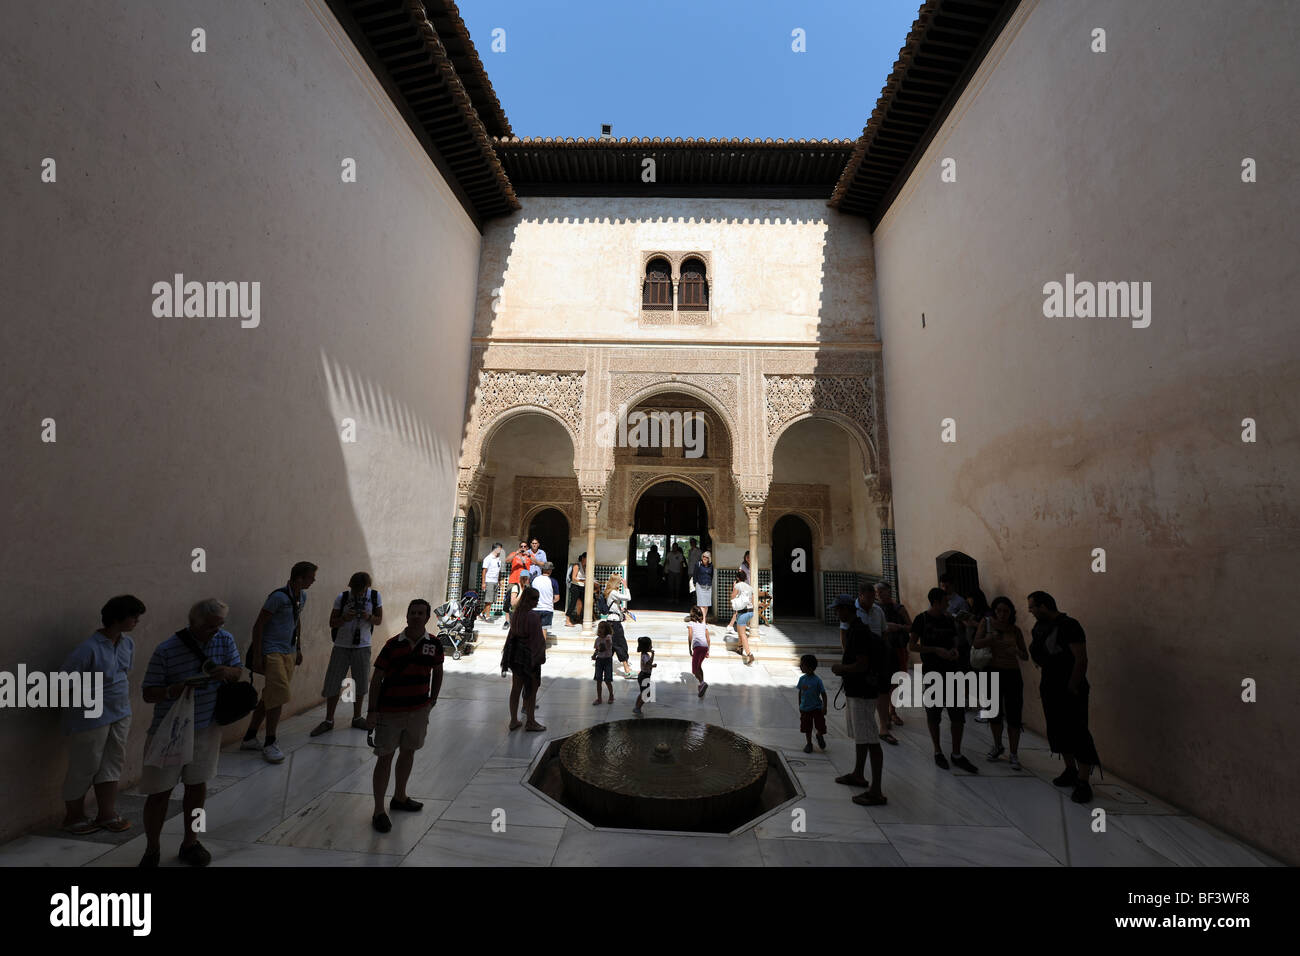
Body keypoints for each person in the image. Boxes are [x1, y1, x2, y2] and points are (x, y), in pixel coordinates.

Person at [139, 599, 244, 867]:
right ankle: (152, 850)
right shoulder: (167, 650)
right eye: (210, 626)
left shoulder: (225, 639)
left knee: (197, 787)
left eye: (220, 625)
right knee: (160, 792)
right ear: (194, 623)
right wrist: (171, 691)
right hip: (169, 730)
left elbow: (237, 671)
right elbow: (148, 693)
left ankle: (191, 842)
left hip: (206, 726)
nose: (216, 631)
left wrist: (227, 672)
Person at [60, 594, 145, 835]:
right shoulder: (87, 649)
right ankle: (73, 816)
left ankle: (106, 814)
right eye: (133, 616)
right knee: (84, 765)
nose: (137, 621)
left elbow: (124, 674)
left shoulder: (127, 644)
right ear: (117, 618)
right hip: (90, 716)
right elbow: (64, 683)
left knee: (112, 763)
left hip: (120, 713)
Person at [363, 599, 443, 833]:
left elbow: (437, 671)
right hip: (390, 712)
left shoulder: (434, 644)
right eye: (412, 612)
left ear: (427, 618)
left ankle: (400, 797)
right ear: (406, 616)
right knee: (385, 757)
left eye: (420, 613)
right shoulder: (392, 645)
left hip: (418, 710)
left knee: (408, 752)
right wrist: (372, 711)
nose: (416, 616)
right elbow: (377, 678)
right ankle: (379, 810)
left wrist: (433, 700)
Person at [1027, 591, 1101, 802]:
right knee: (1057, 729)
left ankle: (1084, 780)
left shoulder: (1070, 625)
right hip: (1050, 686)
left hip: (1070, 688)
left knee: (1078, 732)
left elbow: (1081, 659)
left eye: (1032, 607)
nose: (1030, 611)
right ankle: (1070, 770)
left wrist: (1072, 686)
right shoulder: (1040, 627)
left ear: (1043, 606)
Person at [242, 561, 317, 764]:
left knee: (270, 695)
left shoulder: (302, 596)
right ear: (299, 578)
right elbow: (258, 626)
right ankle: (270, 742)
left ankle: (249, 736)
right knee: (280, 694)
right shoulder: (277, 597)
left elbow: (296, 621)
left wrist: (299, 648)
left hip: (289, 652)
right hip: (271, 651)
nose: (314, 581)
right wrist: (258, 655)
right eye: (311, 577)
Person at [910, 587, 980, 774]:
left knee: (957, 715)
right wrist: (935, 650)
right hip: (932, 673)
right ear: (936, 602)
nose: (948, 604)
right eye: (945, 601)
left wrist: (955, 650)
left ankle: (956, 754)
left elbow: (955, 639)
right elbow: (912, 645)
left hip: (952, 672)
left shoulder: (949, 619)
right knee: (934, 715)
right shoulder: (921, 619)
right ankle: (938, 750)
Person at [830, 595, 887, 806]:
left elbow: (862, 664)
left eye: (838, 610)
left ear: (846, 609)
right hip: (856, 691)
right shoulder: (854, 629)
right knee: (862, 737)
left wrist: (841, 668)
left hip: (863, 692)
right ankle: (858, 773)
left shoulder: (859, 632)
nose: (836, 613)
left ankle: (877, 790)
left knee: (871, 739)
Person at [312, 572, 383, 737]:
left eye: (361, 590)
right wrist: (344, 618)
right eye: (355, 590)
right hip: (341, 646)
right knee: (333, 681)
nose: (358, 593)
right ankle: (329, 720)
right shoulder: (342, 597)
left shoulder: (374, 596)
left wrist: (368, 616)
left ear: (367, 587)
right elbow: (332, 623)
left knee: (360, 682)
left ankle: (357, 717)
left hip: (362, 645)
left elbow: (378, 620)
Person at [974, 596, 1028, 768]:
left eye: (1006, 611)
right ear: (994, 610)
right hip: (992, 671)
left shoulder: (1015, 630)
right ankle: (998, 745)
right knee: (993, 712)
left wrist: (1017, 651)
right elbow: (976, 643)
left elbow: (1025, 656)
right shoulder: (987, 623)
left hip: (1012, 673)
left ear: (1011, 612)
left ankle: (1014, 753)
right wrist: (989, 640)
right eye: (999, 610)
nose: (1002, 614)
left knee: (1014, 714)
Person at [856, 581, 897, 746]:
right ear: (861, 596)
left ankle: (883, 725)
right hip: (861, 656)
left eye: (873, 597)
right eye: (869, 598)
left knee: (882, 689)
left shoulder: (878, 610)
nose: (872, 601)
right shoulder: (853, 610)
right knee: (862, 692)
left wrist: (883, 652)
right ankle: (865, 725)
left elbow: (884, 632)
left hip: (878, 656)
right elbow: (845, 634)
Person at [501, 586, 546, 731]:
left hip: (516, 654)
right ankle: (531, 721)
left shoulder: (517, 614)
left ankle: (514, 720)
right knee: (531, 688)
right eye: (535, 599)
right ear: (528, 599)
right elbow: (536, 639)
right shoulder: (532, 616)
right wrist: (539, 656)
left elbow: (511, 635)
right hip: (528, 655)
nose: (537, 601)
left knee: (516, 688)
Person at [876, 581, 911, 727]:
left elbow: (911, 627)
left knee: (895, 681)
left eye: (881, 591)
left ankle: (893, 711)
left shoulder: (899, 608)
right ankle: (885, 716)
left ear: (889, 592)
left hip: (897, 649)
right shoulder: (875, 609)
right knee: (882, 682)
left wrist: (898, 627)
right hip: (881, 650)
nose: (878, 594)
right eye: (877, 592)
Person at [604, 573, 634, 679]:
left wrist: (620, 610)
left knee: (611, 647)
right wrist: (626, 586)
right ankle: (627, 670)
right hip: (614, 623)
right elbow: (628, 598)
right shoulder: (613, 592)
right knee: (620, 645)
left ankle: (607, 670)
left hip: (611, 621)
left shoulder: (610, 592)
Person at [796, 654, 827, 754]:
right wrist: (800, 704)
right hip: (805, 708)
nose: (800, 666)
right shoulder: (802, 679)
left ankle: (819, 734)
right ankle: (809, 743)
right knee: (807, 727)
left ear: (809, 667)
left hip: (817, 708)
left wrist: (824, 707)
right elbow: (800, 692)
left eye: (802, 665)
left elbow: (824, 694)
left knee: (821, 726)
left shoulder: (817, 681)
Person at [502, 540, 531, 625]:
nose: (523, 548)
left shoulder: (529, 556)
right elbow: (506, 560)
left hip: (525, 582)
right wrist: (516, 553)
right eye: (521, 546)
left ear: (527, 548)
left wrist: (529, 555)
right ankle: (507, 621)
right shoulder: (514, 554)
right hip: (513, 581)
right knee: (508, 601)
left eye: (525, 546)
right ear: (519, 547)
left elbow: (537, 562)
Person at [731, 569, 756, 665]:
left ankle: (750, 654)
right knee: (739, 629)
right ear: (745, 578)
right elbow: (752, 601)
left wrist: (734, 587)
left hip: (743, 612)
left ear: (737, 578)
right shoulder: (750, 587)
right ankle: (739, 648)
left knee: (742, 634)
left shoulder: (737, 586)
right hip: (750, 612)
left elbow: (733, 596)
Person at [686, 606, 710, 698]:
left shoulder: (691, 624)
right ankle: (701, 686)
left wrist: (689, 647)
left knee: (694, 670)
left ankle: (702, 683)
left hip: (697, 648)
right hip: (704, 647)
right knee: (699, 666)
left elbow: (690, 636)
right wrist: (708, 650)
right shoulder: (704, 624)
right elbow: (708, 638)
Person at [725, 551, 751, 635]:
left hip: (748, 589)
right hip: (742, 588)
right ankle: (730, 626)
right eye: (747, 557)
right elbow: (739, 576)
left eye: (750, 557)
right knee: (739, 609)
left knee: (747, 608)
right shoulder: (743, 566)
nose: (748, 558)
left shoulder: (752, 565)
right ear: (745, 557)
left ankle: (748, 625)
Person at [592, 620, 615, 705]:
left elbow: (607, 647)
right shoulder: (597, 639)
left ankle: (611, 695)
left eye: (602, 628)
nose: (600, 629)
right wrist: (594, 655)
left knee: (608, 680)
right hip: (599, 660)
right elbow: (597, 649)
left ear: (606, 629)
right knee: (598, 680)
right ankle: (599, 698)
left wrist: (607, 640)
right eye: (599, 628)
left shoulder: (608, 638)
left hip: (607, 660)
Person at [533, 561, 558, 639]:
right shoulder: (553, 581)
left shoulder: (535, 580)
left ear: (542, 570)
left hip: (535, 608)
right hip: (547, 609)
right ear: (550, 571)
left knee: (534, 630)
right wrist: (550, 602)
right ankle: (541, 649)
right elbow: (557, 598)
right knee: (543, 630)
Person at [632, 636, 656, 717]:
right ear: (646, 647)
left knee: (643, 692)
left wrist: (652, 666)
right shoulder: (645, 656)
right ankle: (638, 708)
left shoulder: (644, 654)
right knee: (647, 694)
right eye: (650, 645)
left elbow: (647, 665)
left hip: (643, 675)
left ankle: (637, 706)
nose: (651, 647)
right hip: (644, 676)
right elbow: (648, 663)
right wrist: (653, 655)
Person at [480, 543, 503, 621]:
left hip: (495, 581)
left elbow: (499, 571)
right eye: (499, 548)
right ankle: (487, 616)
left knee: (492, 600)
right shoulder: (488, 558)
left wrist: (499, 580)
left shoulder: (498, 559)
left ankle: (482, 613)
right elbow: (484, 571)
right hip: (489, 581)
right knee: (489, 600)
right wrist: (483, 583)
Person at [692, 550, 715, 623]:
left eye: (706, 557)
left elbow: (711, 575)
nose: (704, 558)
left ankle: (704, 618)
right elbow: (695, 575)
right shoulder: (698, 564)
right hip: (700, 586)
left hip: (708, 586)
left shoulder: (711, 566)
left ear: (709, 558)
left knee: (707, 604)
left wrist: (709, 583)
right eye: (704, 556)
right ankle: (704, 620)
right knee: (701, 604)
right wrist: (695, 583)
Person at [565, 553, 586, 627]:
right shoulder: (577, 566)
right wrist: (582, 580)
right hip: (575, 586)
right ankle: (567, 620)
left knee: (582, 603)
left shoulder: (585, 567)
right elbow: (574, 578)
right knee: (573, 603)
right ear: (583, 558)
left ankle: (578, 617)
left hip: (582, 587)